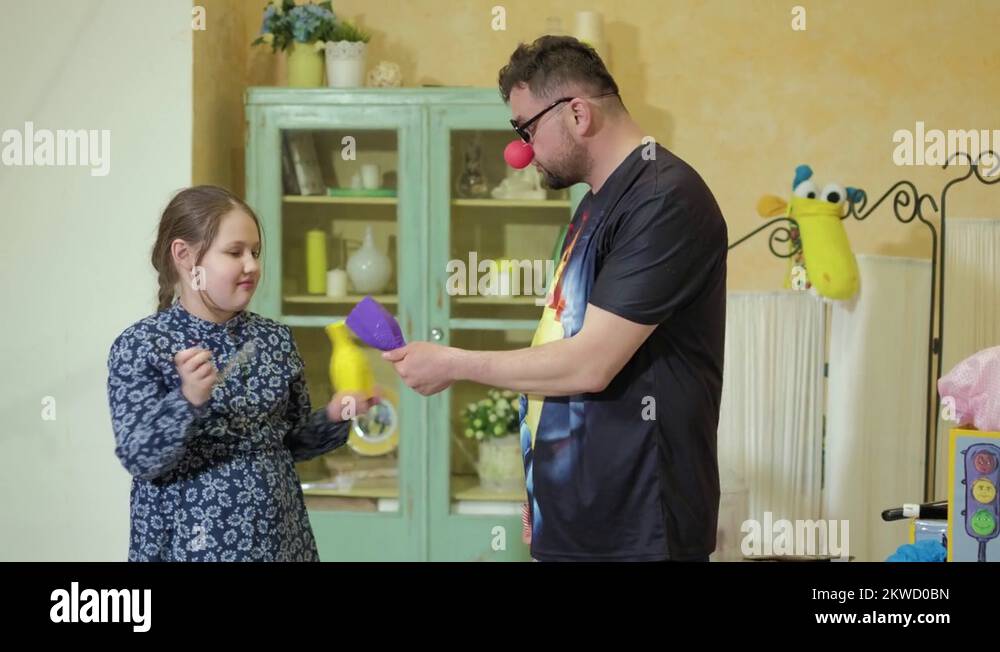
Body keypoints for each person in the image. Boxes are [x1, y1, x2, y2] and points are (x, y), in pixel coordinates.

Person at [383, 36, 729, 562]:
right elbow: (557, 339)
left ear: (577, 113)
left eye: (526, 128)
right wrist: (541, 482)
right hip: (580, 513)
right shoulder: (595, 203)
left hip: (639, 525)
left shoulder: (665, 200)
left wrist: (453, 363)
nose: (520, 151)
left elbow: (591, 364)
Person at [106, 185, 374, 561]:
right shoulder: (142, 346)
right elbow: (140, 458)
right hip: (188, 548)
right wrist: (187, 401)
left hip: (280, 543)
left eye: (255, 252)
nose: (251, 264)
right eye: (234, 252)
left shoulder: (275, 339)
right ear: (184, 256)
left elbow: (292, 444)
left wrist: (335, 415)